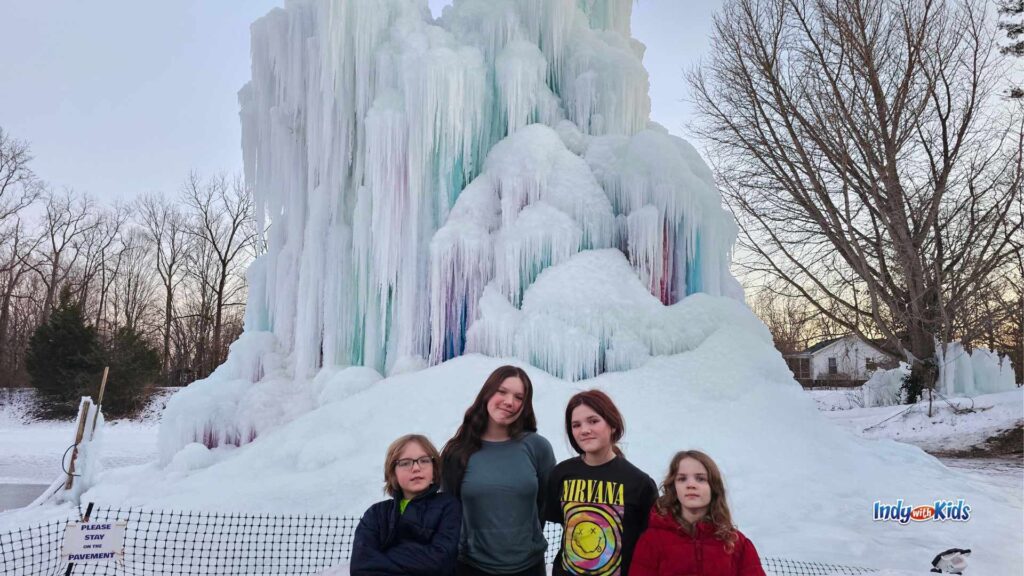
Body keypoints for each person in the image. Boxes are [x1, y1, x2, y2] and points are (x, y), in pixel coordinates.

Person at [441, 365, 556, 576]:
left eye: (519, 397)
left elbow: (545, 502)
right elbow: (448, 510)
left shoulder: (538, 447)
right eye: (502, 391)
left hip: (529, 568)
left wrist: (524, 538)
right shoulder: (457, 451)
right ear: (487, 393)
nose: (509, 402)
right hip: (471, 568)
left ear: (525, 406)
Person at [546, 390, 657, 576]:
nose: (584, 430)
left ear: (612, 425)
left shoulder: (640, 483)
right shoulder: (561, 474)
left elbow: (651, 544)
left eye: (593, 421)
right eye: (576, 425)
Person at [629, 450, 765, 576]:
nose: (691, 485)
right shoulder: (652, 541)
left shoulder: (736, 544)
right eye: (682, 479)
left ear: (714, 487)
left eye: (700, 479)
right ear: (674, 488)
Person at [351, 434, 461, 576]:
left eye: (424, 460)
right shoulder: (376, 513)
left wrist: (388, 553)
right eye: (405, 463)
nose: (416, 468)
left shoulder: (449, 506)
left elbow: (440, 561)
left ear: (434, 469)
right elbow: (361, 566)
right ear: (392, 472)